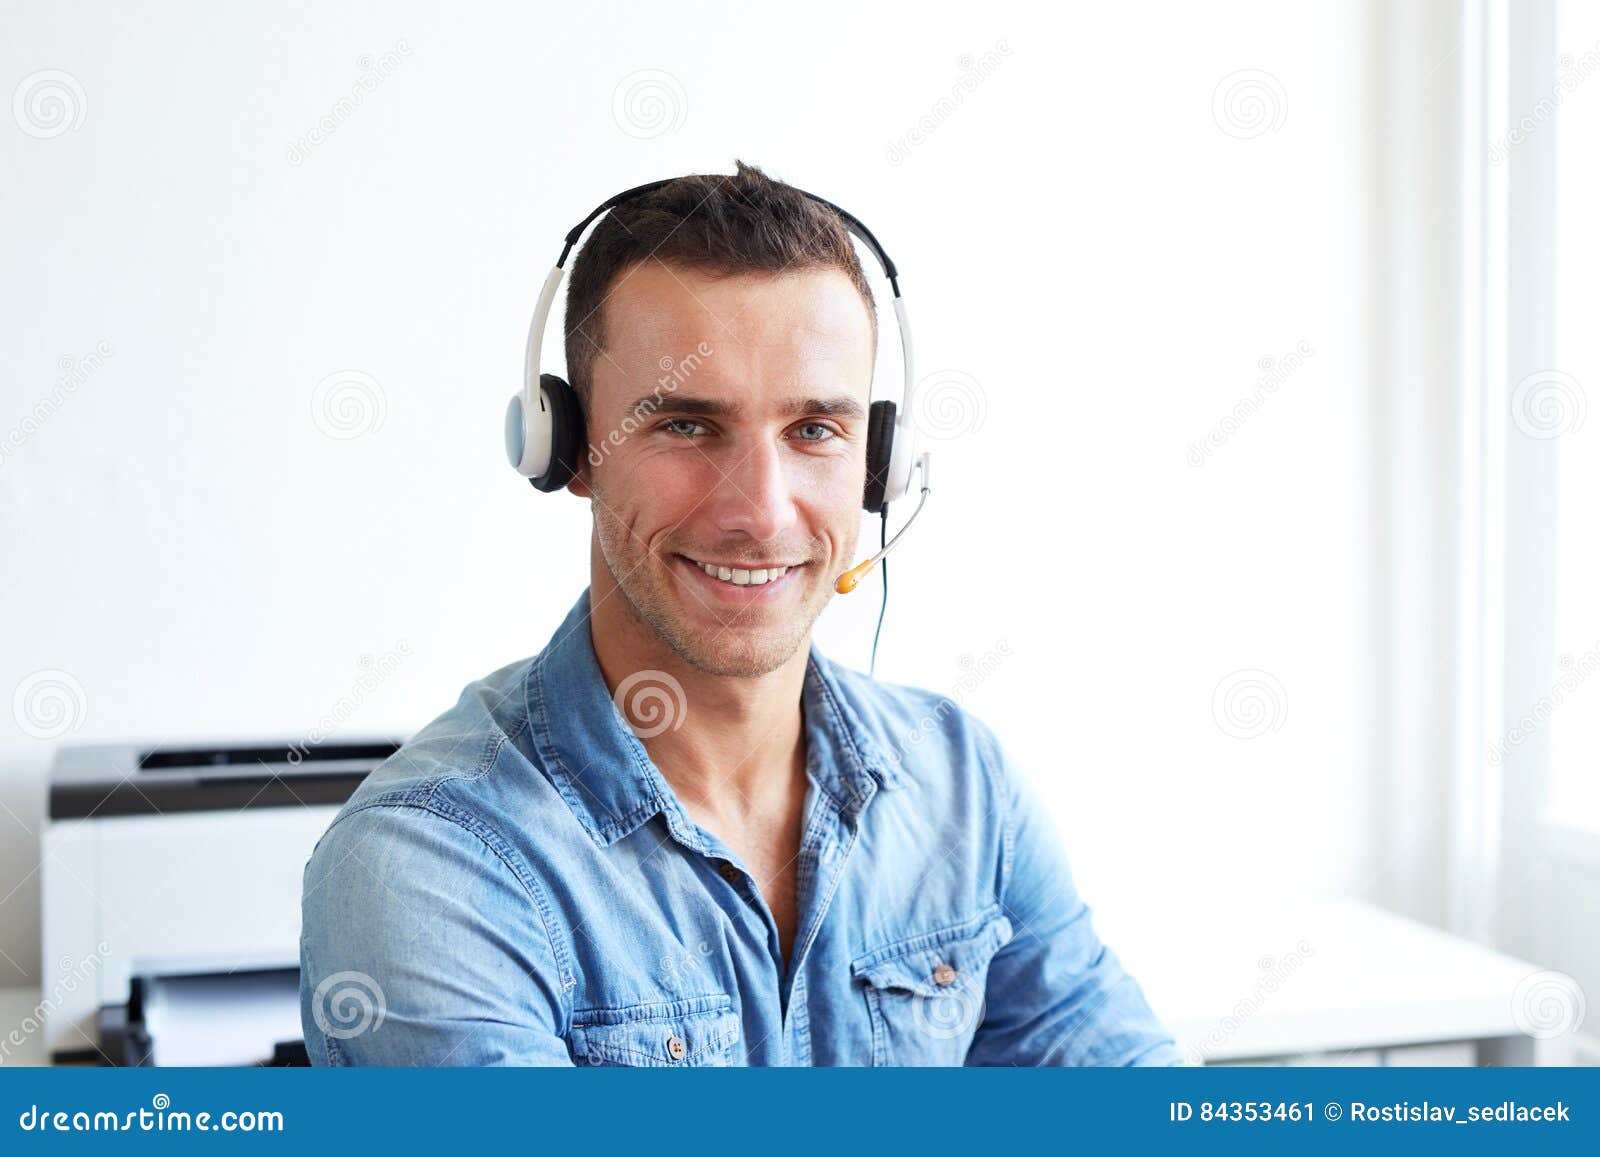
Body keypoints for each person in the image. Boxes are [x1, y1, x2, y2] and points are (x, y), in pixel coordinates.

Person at [299, 161, 1183, 1067]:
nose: (759, 511)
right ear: (565, 447)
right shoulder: (431, 868)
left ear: (880, 463)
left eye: (815, 429)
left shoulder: (963, 788)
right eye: (686, 425)